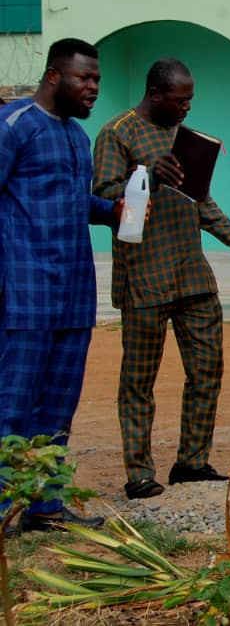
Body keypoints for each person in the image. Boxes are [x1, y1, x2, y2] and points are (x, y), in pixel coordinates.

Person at [93, 58, 230, 500]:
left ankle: (192, 462)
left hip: (192, 275)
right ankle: (139, 475)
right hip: (144, 277)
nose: (188, 106)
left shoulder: (182, 137)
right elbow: (102, 197)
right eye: (180, 99)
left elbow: (199, 201)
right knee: (139, 380)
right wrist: (145, 174)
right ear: (155, 94)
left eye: (190, 99)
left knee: (207, 370)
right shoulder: (117, 132)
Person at [1, 38, 116, 531]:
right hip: (24, 293)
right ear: (54, 76)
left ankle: (45, 507)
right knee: (12, 404)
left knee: (58, 404)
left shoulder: (75, 135)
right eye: (83, 79)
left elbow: (74, 200)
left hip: (73, 294)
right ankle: (6, 511)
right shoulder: (15, 125)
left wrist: (117, 212)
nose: (92, 89)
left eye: (96, 81)